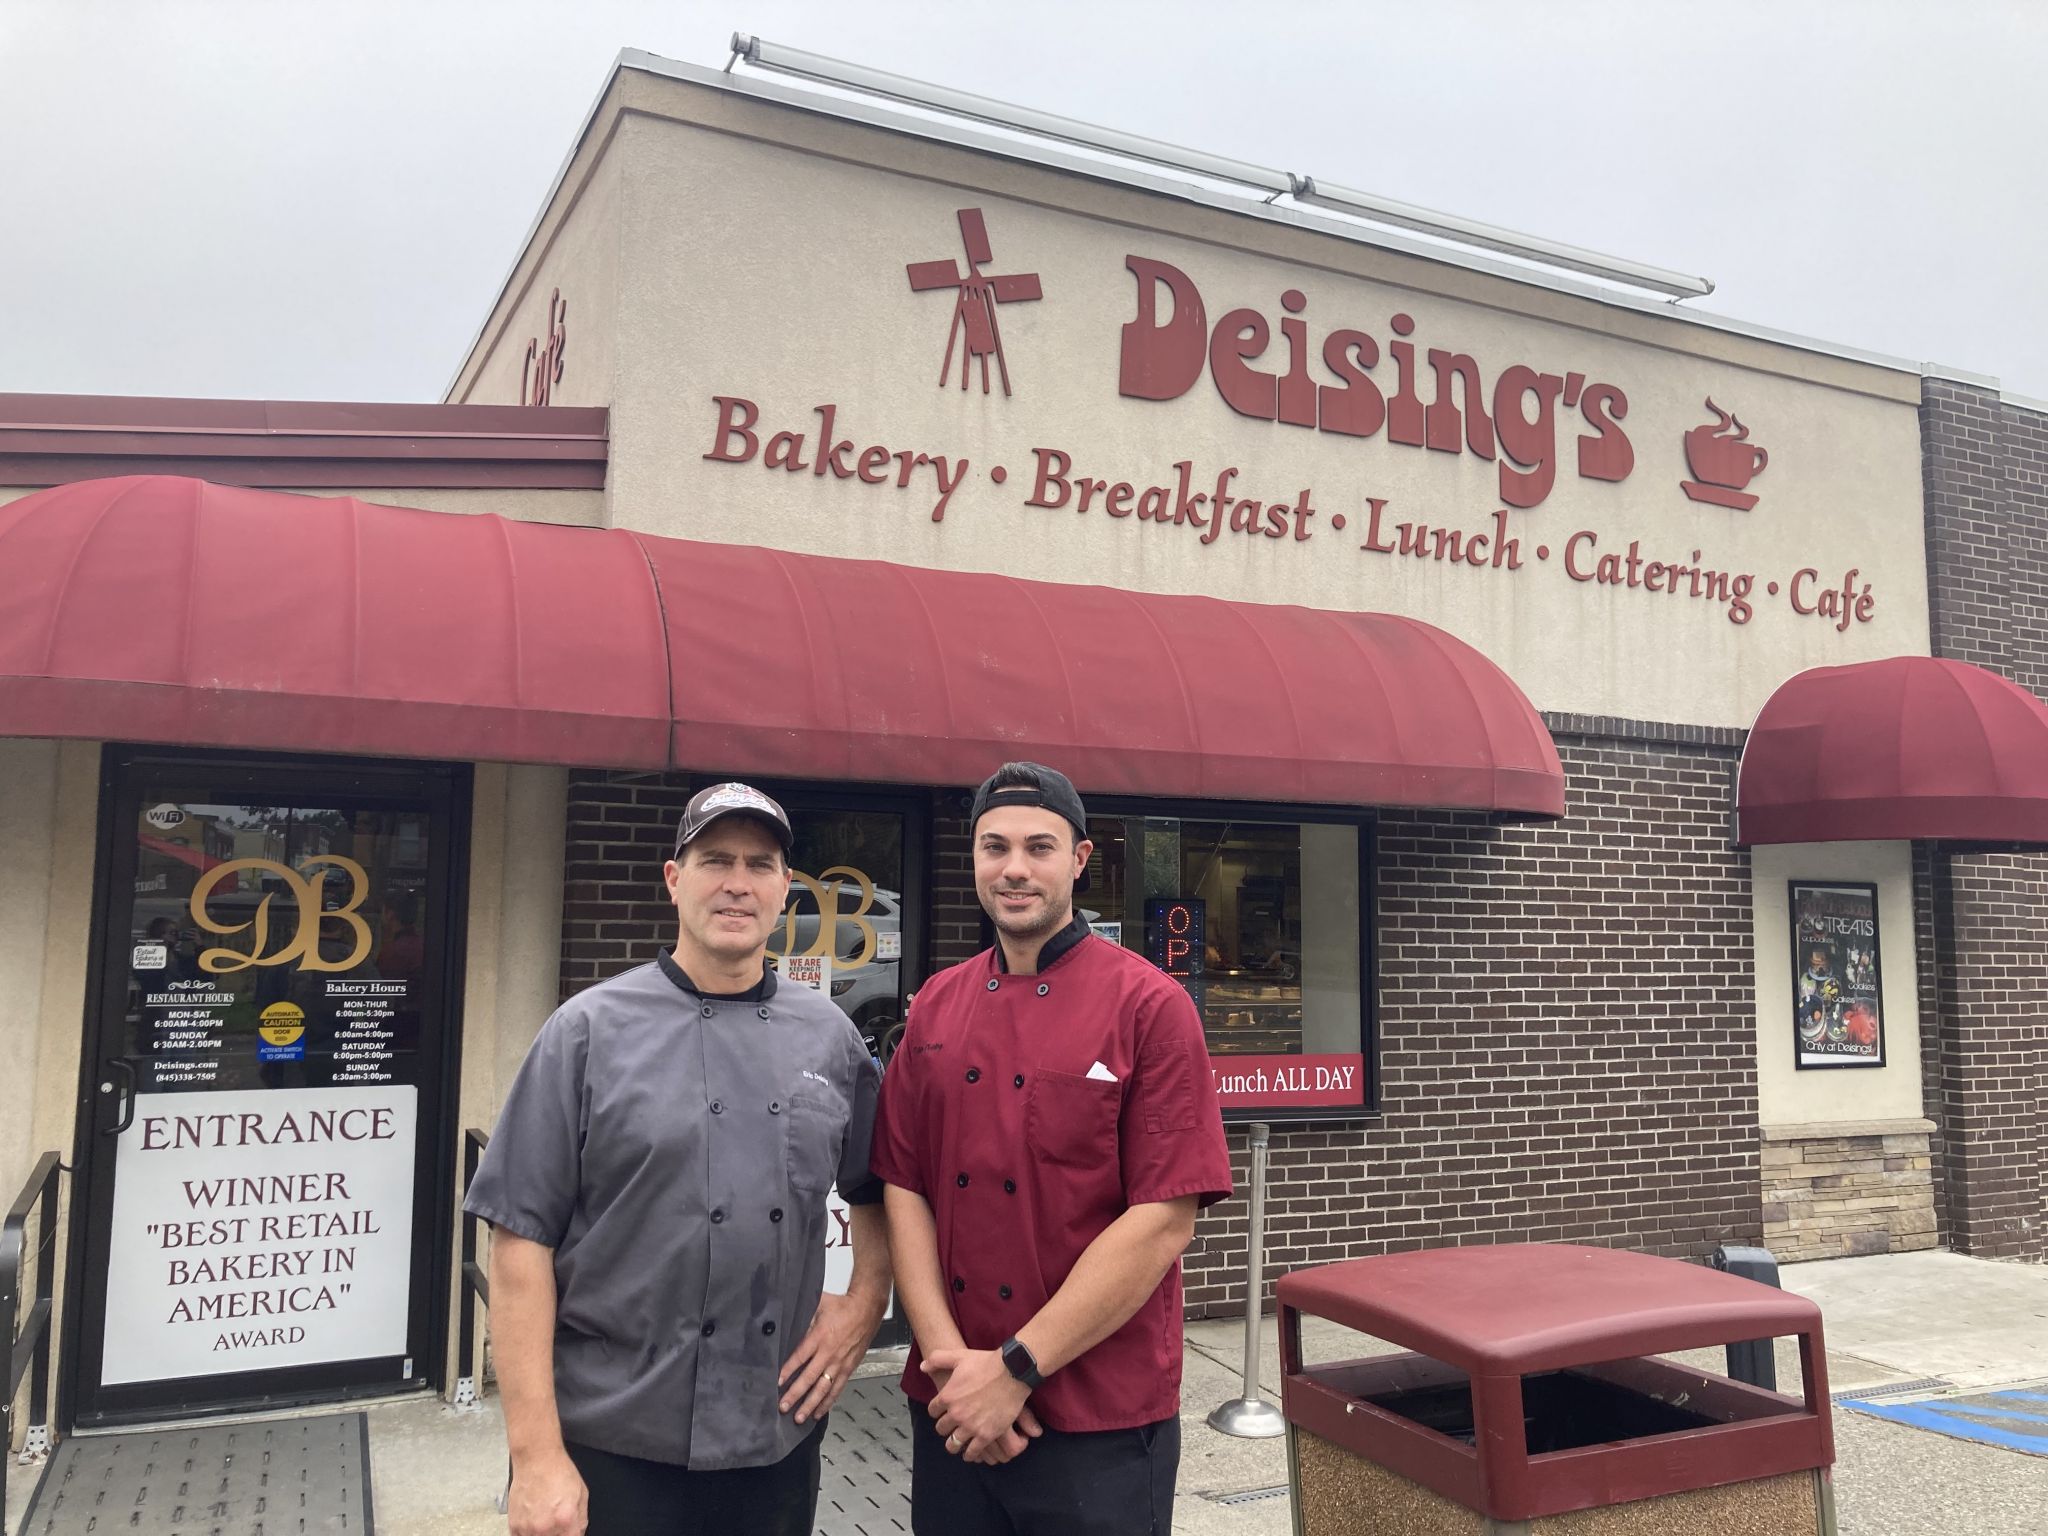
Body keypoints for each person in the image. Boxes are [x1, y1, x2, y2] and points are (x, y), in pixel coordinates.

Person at [464, 782, 892, 1536]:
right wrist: (534, 1458)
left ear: (785, 889)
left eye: (760, 865)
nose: (737, 882)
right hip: (612, 1443)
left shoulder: (829, 1035)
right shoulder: (586, 1031)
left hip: (775, 1434)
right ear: (674, 878)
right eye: (714, 860)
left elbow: (878, 1186)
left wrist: (862, 1303)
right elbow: (518, 1243)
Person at [871, 762, 1232, 1535]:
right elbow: (903, 1186)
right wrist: (952, 1371)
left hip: (1095, 1413)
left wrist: (1014, 1371)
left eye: (1039, 847)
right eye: (994, 847)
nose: (1015, 869)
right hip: (953, 1411)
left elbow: (1165, 1219)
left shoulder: (1150, 1007)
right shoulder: (936, 1004)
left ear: (1079, 859)